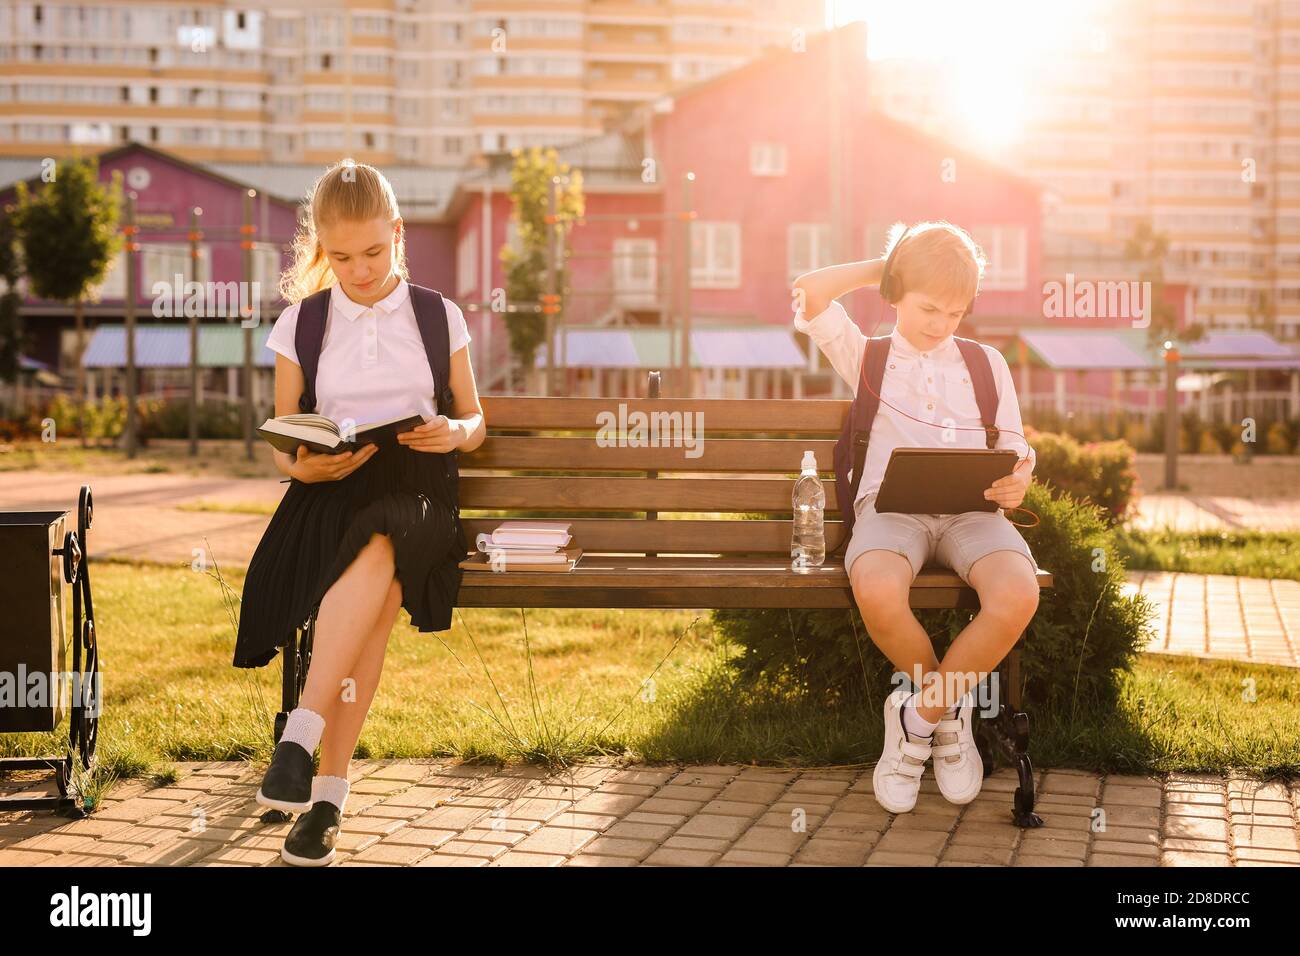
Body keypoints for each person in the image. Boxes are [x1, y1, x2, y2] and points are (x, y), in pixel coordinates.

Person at [232, 159, 485, 865]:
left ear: (398, 234)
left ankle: (298, 742)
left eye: (373, 252)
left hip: (420, 484)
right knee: (373, 590)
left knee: (383, 537)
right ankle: (326, 802)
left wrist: (454, 433)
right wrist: (301, 463)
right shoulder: (301, 323)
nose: (360, 270)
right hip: (334, 486)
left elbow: (475, 418)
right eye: (340, 257)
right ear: (321, 249)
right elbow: (286, 437)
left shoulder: (438, 314)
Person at [792, 220, 1039, 815]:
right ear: (897, 290)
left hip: (972, 516)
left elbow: (1015, 443)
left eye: (955, 313)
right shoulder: (868, 357)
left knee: (1016, 595)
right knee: (877, 588)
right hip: (889, 512)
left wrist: (1019, 476)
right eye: (929, 307)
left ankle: (920, 715)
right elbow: (811, 293)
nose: (940, 324)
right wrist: (886, 267)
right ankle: (950, 714)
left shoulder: (986, 364)